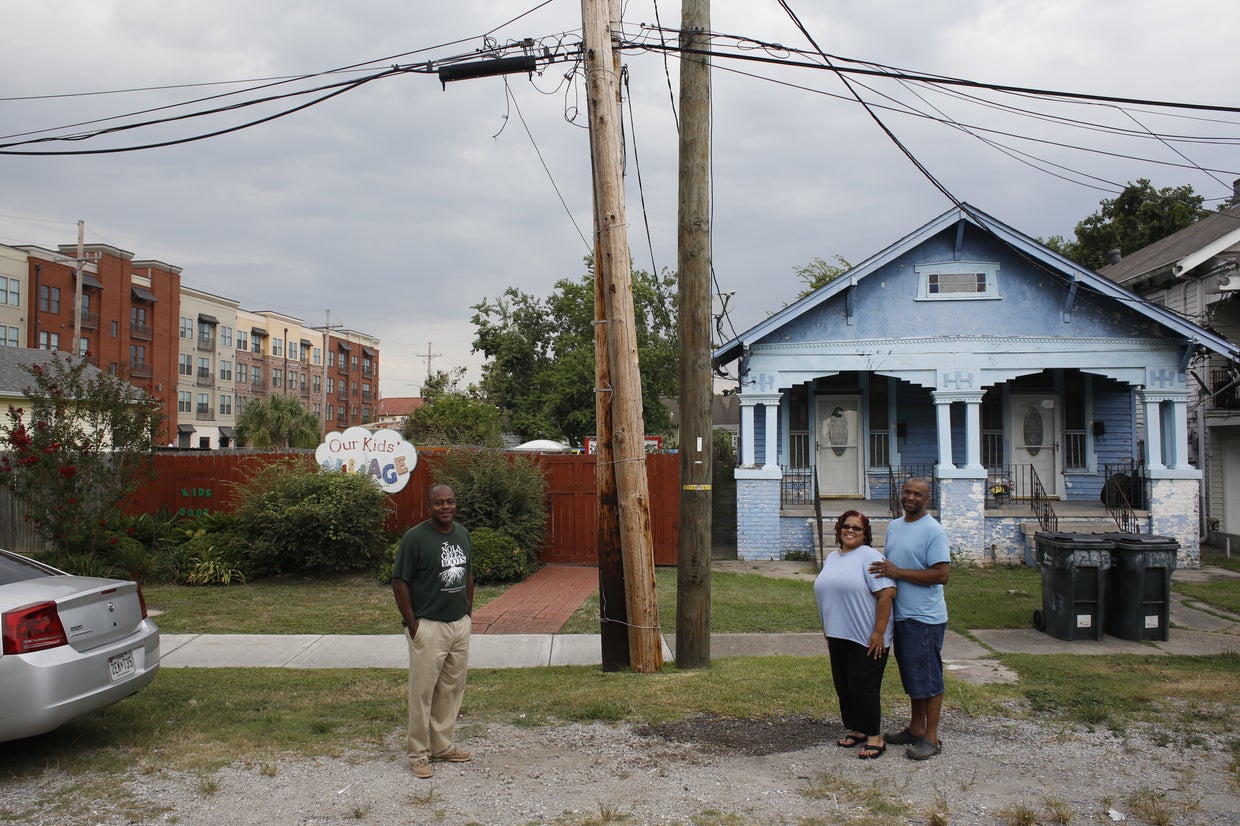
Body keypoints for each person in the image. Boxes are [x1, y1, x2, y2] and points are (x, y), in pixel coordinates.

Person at [391, 483, 475, 779]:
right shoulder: (415, 538)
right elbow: (399, 581)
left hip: (458, 625)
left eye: (450, 501)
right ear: (429, 506)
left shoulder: (462, 534)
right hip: (428, 627)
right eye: (439, 503)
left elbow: (468, 574)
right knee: (422, 693)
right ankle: (418, 754)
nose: (445, 507)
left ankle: (443, 746)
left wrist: (467, 614)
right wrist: (413, 625)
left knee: (451, 689)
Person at [869, 477, 951, 761]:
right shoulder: (895, 526)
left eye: (918, 494)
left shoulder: (933, 530)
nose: (911, 497)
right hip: (902, 615)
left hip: (925, 617)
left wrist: (898, 573)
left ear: (927, 499)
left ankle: (932, 738)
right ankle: (916, 728)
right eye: (907, 492)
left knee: (928, 677)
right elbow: (888, 568)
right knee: (913, 676)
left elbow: (942, 574)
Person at [814, 510, 897, 759]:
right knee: (845, 685)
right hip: (838, 635)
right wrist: (827, 626)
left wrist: (879, 632)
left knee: (864, 686)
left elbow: (887, 594)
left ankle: (874, 737)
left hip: (866, 636)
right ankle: (857, 729)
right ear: (839, 529)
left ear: (865, 534)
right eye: (846, 526)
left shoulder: (869, 556)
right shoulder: (832, 557)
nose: (850, 531)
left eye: (857, 528)